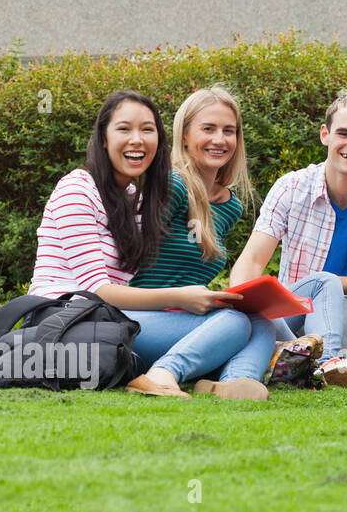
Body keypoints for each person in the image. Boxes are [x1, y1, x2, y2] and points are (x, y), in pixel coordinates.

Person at [28, 90, 264, 399]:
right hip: (68, 320)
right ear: (103, 138)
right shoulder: (76, 189)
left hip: (111, 318)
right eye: (124, 129)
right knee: (234, 323)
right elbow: (96, 290)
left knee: (255, 320)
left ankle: (232, 382)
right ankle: (161, 375)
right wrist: (181, 297)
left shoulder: (130, 200)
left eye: (147, 130)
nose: (137, 140)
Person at [228, 90, 347, 388]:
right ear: (325, 134)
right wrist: (252, 300)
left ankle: (304, 356)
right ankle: (334, 361)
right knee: (280, 299)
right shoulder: (291, 187)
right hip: (300, 311)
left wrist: (327, 286)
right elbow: (249, 262)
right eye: (344, 133)